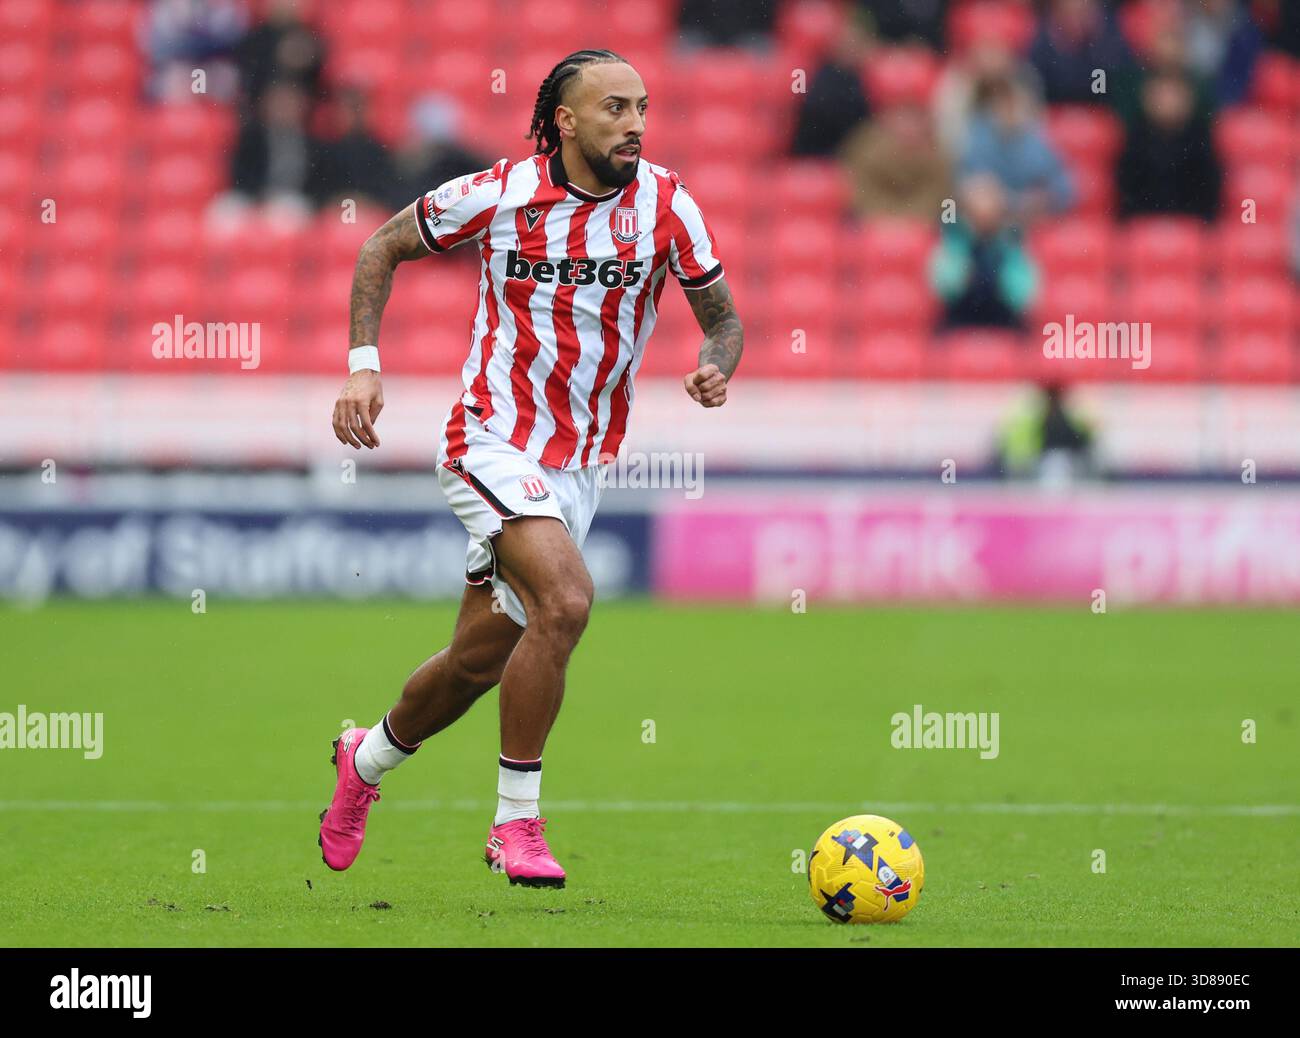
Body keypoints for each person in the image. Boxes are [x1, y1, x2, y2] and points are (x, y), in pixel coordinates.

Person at [320, 50, 743, 888]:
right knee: (569, 599)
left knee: (477, 663)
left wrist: (716, 362)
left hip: (581, 465)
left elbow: (722, 317)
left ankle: (362, 763)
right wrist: (364, 363)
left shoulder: (669, 205)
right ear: (566, 120)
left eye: (642, 108)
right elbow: (381, 247)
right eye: (615, 108)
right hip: (490, 439)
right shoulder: (501, 193)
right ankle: (517, 823)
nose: (634, 124)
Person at [930, 175, 1039, 331]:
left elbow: (1022, 295)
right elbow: (947, 288)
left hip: (1004, 320)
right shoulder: (956, 238)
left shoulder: (1011, 241)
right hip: (961, 319)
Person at [1116, 70, 1222, 221]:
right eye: (1161, 95)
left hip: (1191, 227)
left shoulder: (1200, 139)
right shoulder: (1135, 138)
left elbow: (1208, 194)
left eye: (1174, 95)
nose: (1167, 102)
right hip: (1143, 227)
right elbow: (1126, 192)